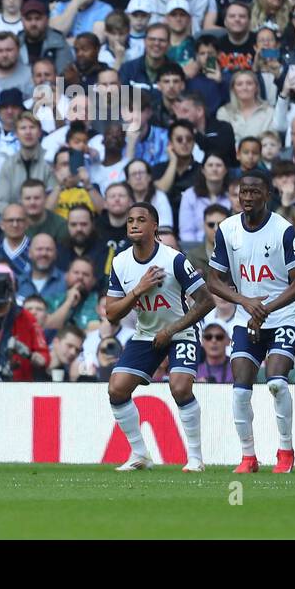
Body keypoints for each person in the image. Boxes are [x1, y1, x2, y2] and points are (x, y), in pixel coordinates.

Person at [202, 171, 295, 474]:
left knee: (276, 383)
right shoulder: (227, 229)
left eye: (254, 192)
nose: (247, 198)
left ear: (268, 194)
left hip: (283, 317)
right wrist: (245, 302)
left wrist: (266, 307)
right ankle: (248, 456)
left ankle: (285, 451)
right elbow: (214, 280)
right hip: (244, 318)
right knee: (239, 389)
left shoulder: (284, 231)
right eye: (243, 192)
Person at [103, 200, 215, 472]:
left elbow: (206, 302)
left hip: (181, 330)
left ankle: (196, 459)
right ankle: (140, 454)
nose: (134, 225)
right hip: (147, 334)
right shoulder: (120, 263)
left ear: (154, 226)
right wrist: (138, 290)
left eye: (141, 220)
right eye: (130, 221)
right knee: (117, 388)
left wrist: (172, 330)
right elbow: (111, 313)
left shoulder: (173, 259)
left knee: (179, 386)